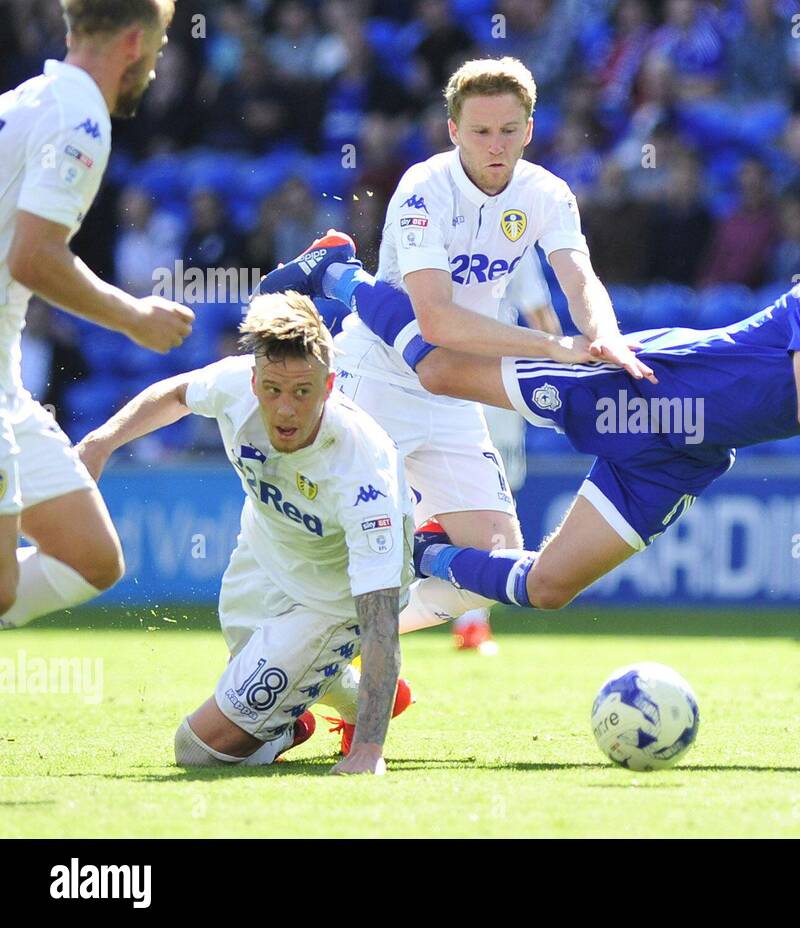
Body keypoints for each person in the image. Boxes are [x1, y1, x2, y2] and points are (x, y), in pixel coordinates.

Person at [276, 226, 800, 617]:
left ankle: (420, 550)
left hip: (684, 456)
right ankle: (341, 272)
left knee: (546, 588)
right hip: (641, 385)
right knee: (438, 367)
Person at [262, 57, 649, 653]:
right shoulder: (423, 189)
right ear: (453, 131)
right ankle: (290, 655)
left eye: (507, 131)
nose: (495, 146)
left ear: (529, 129)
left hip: (454, 390)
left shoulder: (547, 193)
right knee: (330, 550)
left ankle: (368, 628)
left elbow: (579, 279)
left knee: (493, 567)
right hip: (379, 374)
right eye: (480, 132)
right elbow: (436, 319)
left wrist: (604, 333)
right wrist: (551, 347)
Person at [76, 294, 413, 775]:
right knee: (245, 648)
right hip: (265, 548)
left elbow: (380, 621)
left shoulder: (362, 469)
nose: (285, 410)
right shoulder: (235, 383)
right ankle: (327, 708)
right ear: (253, 380)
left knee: (197, 749)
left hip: (337, 596)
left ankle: (363, 709)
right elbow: (175, 395)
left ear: (330, 386)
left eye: (303, 392)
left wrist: (370, 752)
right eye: (272, 389)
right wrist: (99, 443)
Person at [0, 0, 193, 632]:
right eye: (161, 49)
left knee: (91, 559)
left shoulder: (29, 97)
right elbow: (34, 257)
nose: (157, 65)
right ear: (136, 42)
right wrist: (134, 315)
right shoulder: (80, 115)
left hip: (8, 378)